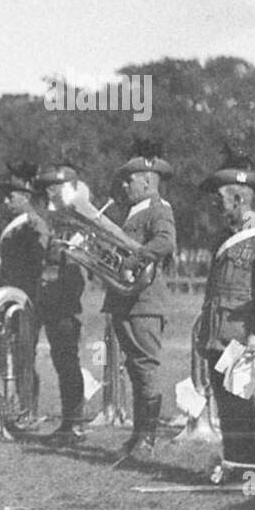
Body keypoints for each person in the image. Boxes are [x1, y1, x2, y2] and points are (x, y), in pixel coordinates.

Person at [196, 156, 255, 469]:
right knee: (226, 405)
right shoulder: (224, 238)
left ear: (239, 198)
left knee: (241, 404)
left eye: (220, 198)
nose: (216, 204)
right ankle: (234, 467)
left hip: (242, 336)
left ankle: (250, 472)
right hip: (218, 337)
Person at [109, 141, 177, 464]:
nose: (123, 185)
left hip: (145, 301)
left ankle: (147, 440)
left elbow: (165, 242)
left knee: (146, 369)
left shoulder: (158, 208)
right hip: (126, 300)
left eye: (129, 179)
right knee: (136, 369)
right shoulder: (133, 211)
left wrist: (135, 259)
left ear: (147, 181)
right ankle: (138, 436)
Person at [34, 161, 90, 442]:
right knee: (63, 363)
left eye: (56, 188)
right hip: (54, 304)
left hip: (66, 306)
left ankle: (74, 424)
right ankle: (70, 422)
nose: (51, 193)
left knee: (68, 364)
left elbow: (76, 272)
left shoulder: (78, 224)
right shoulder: (59, 224)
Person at [0, 162, 49, 428]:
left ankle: (27, 411)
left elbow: (35, 264)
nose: (5, 201)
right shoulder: (14, 224)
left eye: (11, 196)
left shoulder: (34, 225)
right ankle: (14, 409)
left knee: (24, 355)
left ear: (25, 197)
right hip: (8, 299)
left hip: (23, 299)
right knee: (11, 354)